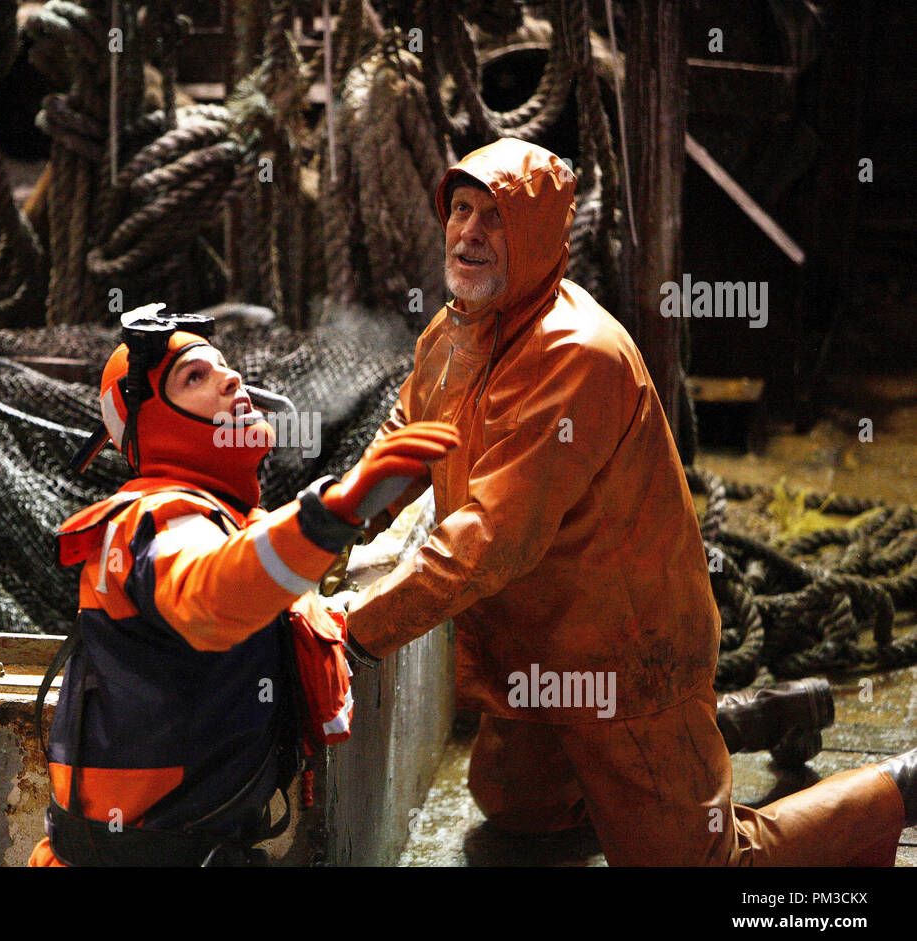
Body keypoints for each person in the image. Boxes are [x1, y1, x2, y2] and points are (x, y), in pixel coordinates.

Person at [344, 137, 917, 865]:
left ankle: (902, 782)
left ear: (541, 235)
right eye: (460, 211)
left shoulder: (574, 354)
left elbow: (492, 537)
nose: (469, 234)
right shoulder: (458, 328)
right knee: (519, 809)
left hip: (623, 653)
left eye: (495, 217)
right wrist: (337, 516)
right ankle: (734, 726)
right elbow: (410, 432)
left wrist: (353, 633)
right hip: (536, 645)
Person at [28, 318, 458, 866]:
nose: (232, 379)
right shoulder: (155, 521)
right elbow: (209, 595)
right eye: (194, 376)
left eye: (224, 365)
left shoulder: (233, 521)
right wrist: (327, 519)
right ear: (155, 422)